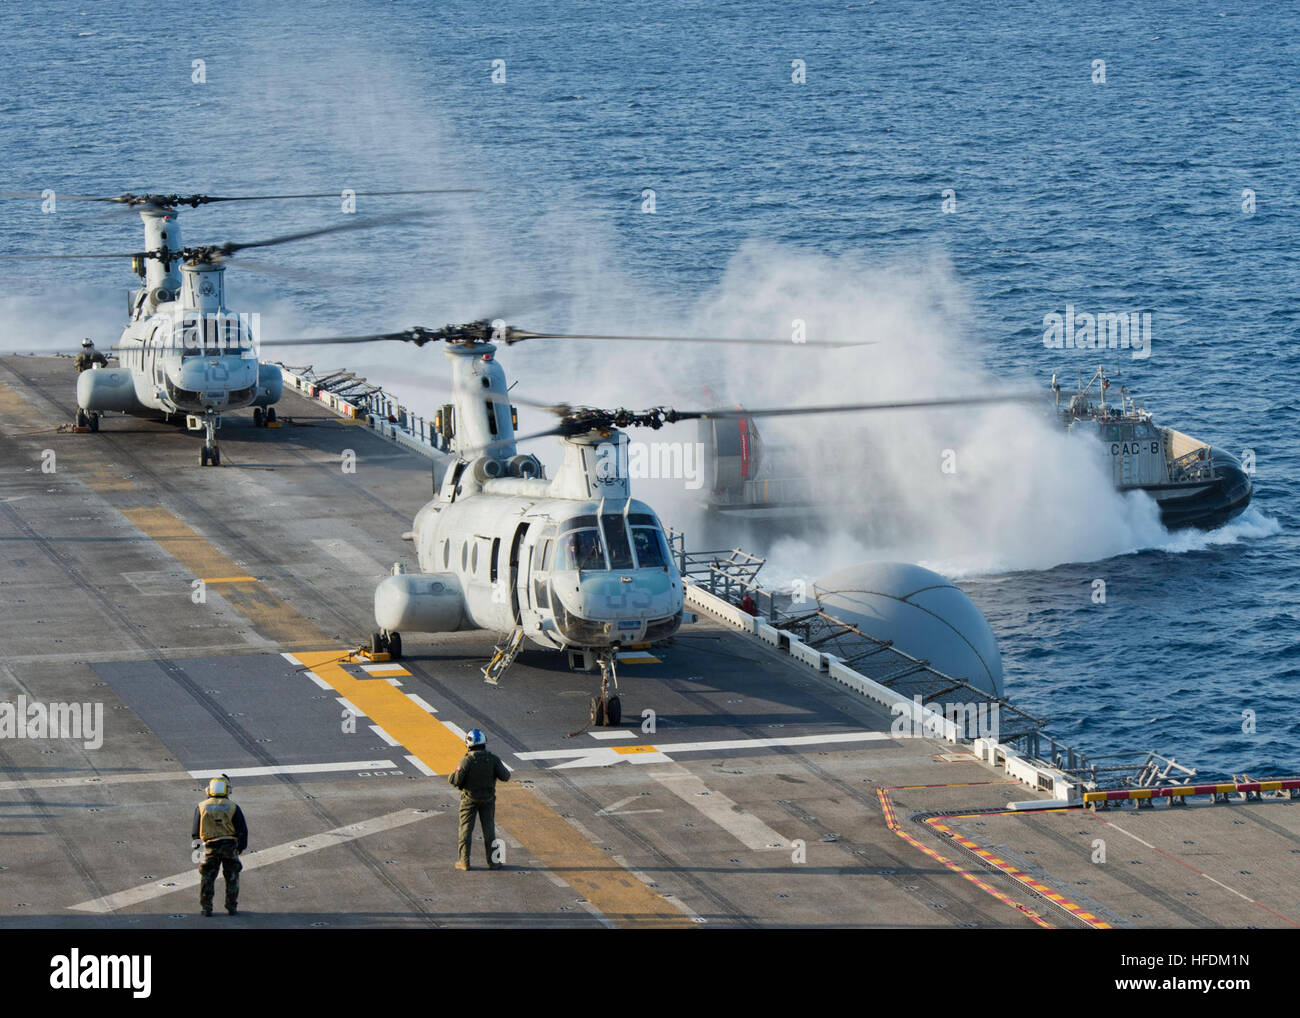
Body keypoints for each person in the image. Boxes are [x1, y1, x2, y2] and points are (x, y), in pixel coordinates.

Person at [448, 729, 510, 870]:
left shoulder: (467, 760)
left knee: (465, 830)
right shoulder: (493, 759)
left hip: (469, 800)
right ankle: (494, 862)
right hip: (488, 799)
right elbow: (505, 776)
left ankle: (464, 861)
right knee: (489, 831)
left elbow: (454, 780)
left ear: (468, 744)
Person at [191, 774, 248, 916]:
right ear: (227, 790)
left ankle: (206, 908)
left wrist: (197, 847)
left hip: (210, 846)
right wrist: (241, 847)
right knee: (232, 876)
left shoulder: (201, 806)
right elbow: (242, 829)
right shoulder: (233, 807)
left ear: (208, 790)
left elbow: (195, 831)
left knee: (207, 878)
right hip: (230, 846)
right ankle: (231, 907)